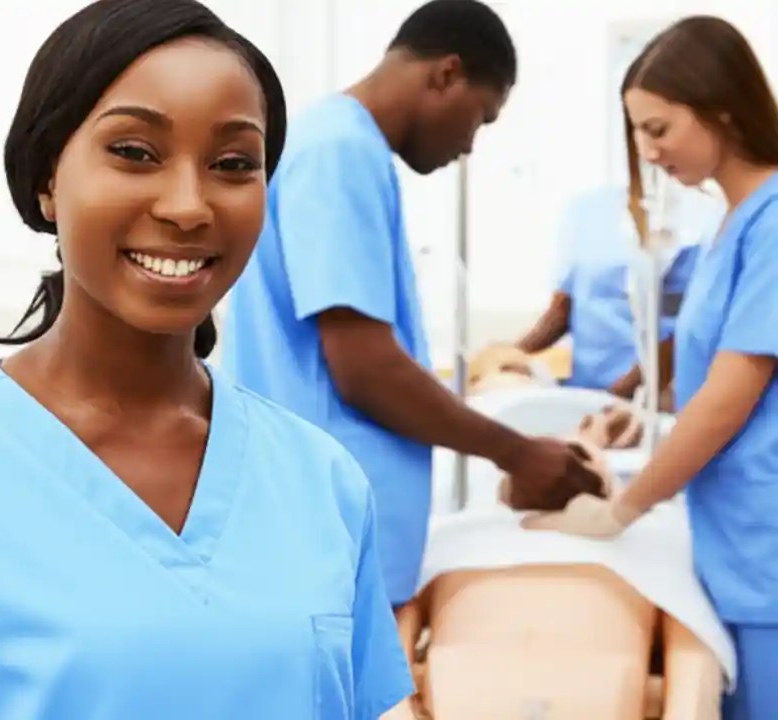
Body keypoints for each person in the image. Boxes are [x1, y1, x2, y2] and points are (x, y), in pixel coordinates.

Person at [0, 1, 414, 717]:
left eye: (232, 163)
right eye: (134, 152)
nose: (188, 206)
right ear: (46, 179)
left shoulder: (321, 482)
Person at [222, 0, 602, 609]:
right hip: (323, 526)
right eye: (480, 117)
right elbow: (366, 369)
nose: (470, 144)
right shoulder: (338, 152)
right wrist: (517, 452)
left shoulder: (346, 148)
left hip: (328, 525)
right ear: (446, 74)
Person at [523, 16, 778, 719]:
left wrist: (621, 510)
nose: (647, 150)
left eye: (659, 129)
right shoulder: (734, 223)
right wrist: (639, 414)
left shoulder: (773, 223)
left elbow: (728, 399)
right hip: (735, 539)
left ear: (722, 109)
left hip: (765, 549)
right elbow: (707, 375)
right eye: (637, 132)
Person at [514, 180, 724, 397]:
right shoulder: (588, 209)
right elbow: (564, 306)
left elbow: (688, 333)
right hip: (583, 390)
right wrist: (510, 356)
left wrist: (619, 397)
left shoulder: (708, 219)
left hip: (653, 395)